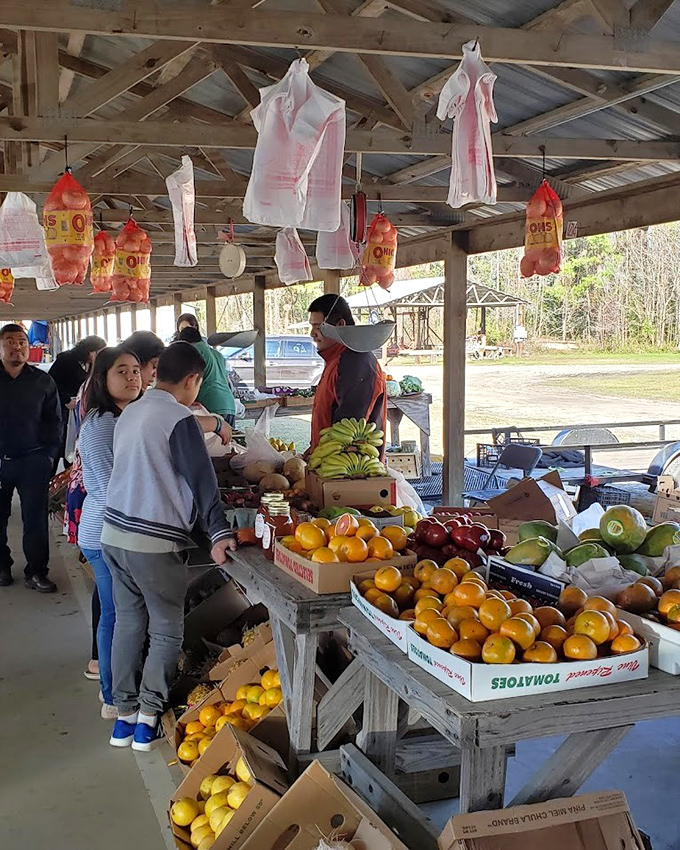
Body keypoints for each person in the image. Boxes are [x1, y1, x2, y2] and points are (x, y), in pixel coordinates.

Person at [102, 342, 235, 751]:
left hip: (114, 536)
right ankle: (147, 719)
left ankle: (122, 719)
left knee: (128, 623)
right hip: (152, 542)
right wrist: (218, 534)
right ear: (193, 380)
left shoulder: (132, 412)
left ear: (156, 373)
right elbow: (201, 479)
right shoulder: (178, 417)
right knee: (165, 630)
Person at [78, 347, 143, 720]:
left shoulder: (122, 416)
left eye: (136, 370)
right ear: (103, 379)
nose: (133, 377)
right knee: (116, 614)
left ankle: (113, 691)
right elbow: (105, 487)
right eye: (122, 371)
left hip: (111, 530)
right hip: (106, 532)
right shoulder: (103, 423)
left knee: (115, 611)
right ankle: (113, 696)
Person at [0, 324, 62, 592]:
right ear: (1, 346)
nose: (17, 347)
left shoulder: (42, 381)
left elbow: (55, 423)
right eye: (11, 342)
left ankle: (37, 571)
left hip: (33, 460)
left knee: (35, 520)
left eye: (22, 342)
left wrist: (49, 457)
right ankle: (1, 567)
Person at [307, 295, 387, 451]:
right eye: (312, 326)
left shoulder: (355, 362)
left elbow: (350, 433)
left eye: (318, 326)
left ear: (340, 325)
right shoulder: (336, 359)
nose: (312, 333)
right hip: (326, 463)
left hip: (352, 469)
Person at [49, 335, 106, 472]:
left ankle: (71, 478)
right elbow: (50, 384)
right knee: (58, 445)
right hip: (62, 408)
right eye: (99, 352)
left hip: (80, 410)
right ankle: (49, 484)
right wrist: (66, 400)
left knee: (75, 447)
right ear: (90, 351)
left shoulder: (93, 365)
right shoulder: (66, 360)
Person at [178, 326, 237, 427]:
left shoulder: (193, 351)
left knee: (212, 442)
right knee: (229, 441)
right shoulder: (217, 354)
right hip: (229, 404)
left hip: (211, 404)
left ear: (184, 343)